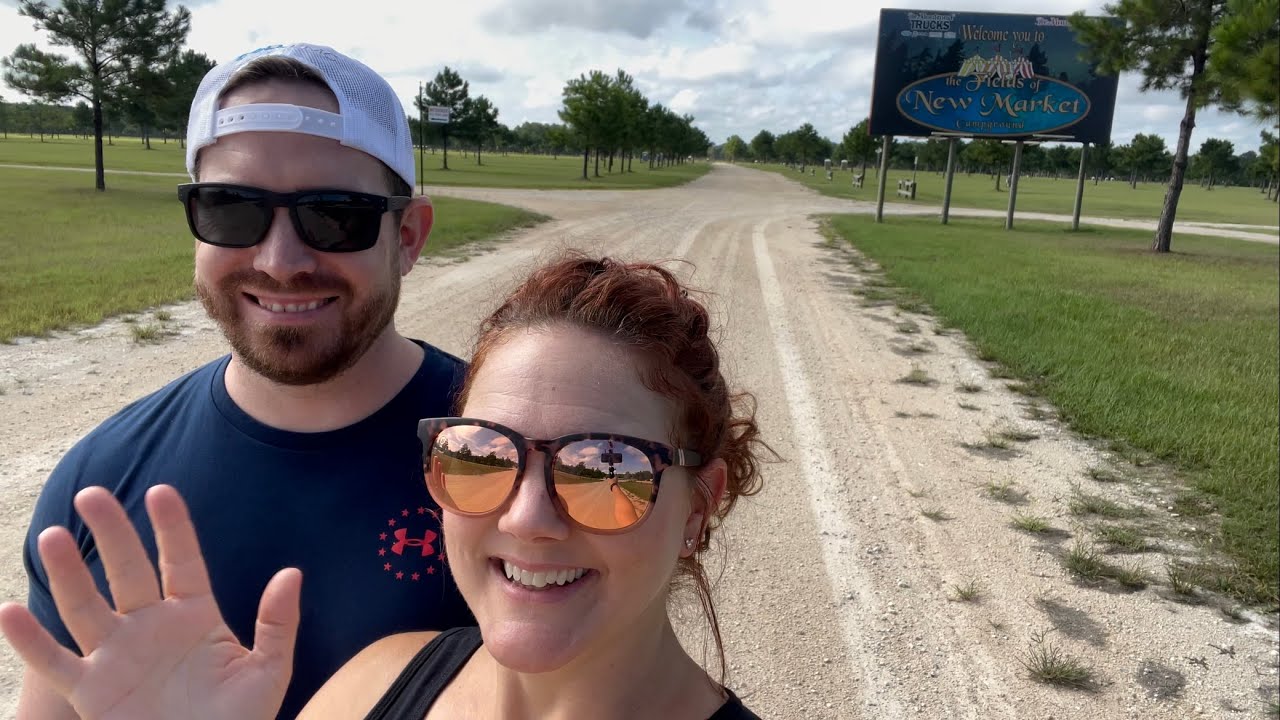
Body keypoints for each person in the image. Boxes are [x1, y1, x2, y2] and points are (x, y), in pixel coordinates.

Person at [1, 255, 768, 719]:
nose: (527, 517)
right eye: (484, 454)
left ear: (699, 504)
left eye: (605, 467)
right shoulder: (381, 680)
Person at [15, 43, 474, 719]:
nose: (281, 261)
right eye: (230, 208)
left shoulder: (520, 468)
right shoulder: (104, 486)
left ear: (407, 235)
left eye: (335, 215)